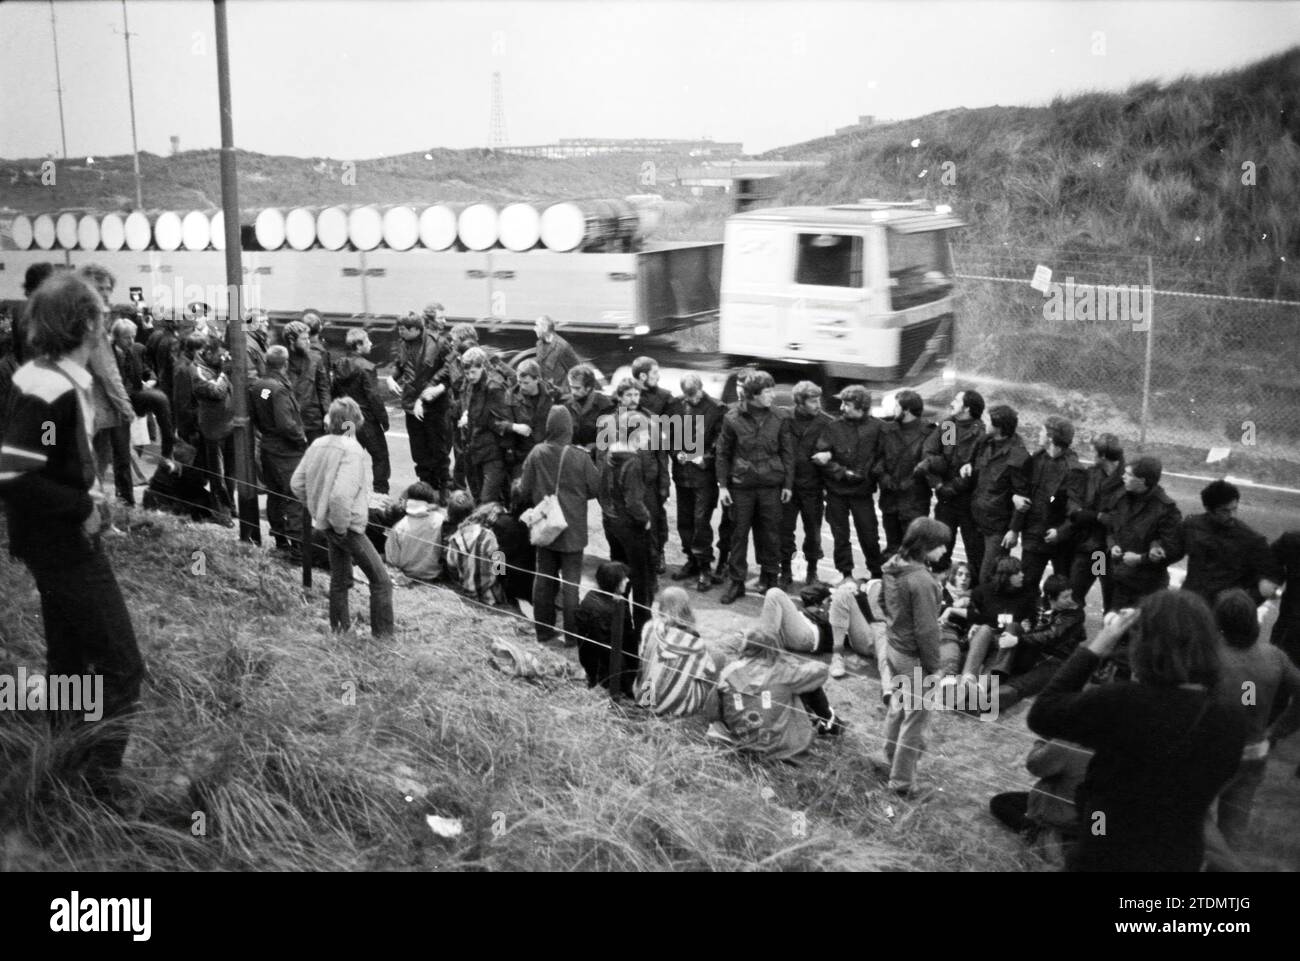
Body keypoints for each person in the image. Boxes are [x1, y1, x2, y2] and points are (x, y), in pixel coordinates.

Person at [0, 272, 145, 801]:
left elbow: (40, 464)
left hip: (51, 542)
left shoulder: (50, 376)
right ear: (86, 322)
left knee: (68, 660)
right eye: (101, 313)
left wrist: (88, 496)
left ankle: (61, 764)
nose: (105, 323)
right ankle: (100, 784)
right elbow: (15, 475)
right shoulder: (49, 386)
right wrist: (82, 505)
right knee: (123, 666)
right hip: (63, 546)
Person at [1028, 592, 1246, 872]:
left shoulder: (1125, 702)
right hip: (1180, 853)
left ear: (1146, 645)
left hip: (1108, 849)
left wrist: (1101, 641)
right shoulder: (1232, 716)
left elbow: (1043, 713)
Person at [291, 397, 393, 639]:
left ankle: (340, 631)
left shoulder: (317, 444)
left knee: (340, 580)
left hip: (327, 523)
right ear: (354, 422)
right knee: (381, 581)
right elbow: (340, 496)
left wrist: (317, 508)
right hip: (346, 527)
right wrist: (339, 524)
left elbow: (297, 483)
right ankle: (384, 637)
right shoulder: (352, 450)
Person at [1209, 589, 1300, 854]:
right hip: (1255, 752)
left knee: (1192, 819)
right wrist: (1278, 731)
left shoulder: (1210, 656)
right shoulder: (1274, 657)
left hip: (1214, 752)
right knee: (1234, 827)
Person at [879, 517, 952, 795]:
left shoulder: (894, 565)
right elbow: (926, 630)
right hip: (913, 657)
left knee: (898, 707)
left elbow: (883, 604)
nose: (945, 550)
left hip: (895, 648)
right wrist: (934, 667)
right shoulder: (922, 580)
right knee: (916, 719)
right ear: (926, 545)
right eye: (941, 545)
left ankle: (889, 756)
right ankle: (901, 782)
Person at [518, 406, 601, 644]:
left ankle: (543, 632)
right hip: (573, 527)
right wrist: (575, 497)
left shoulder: (537, 452)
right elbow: (596, 488)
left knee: (543, 578)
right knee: (571, 584)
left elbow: (524, 489)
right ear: (569, 428)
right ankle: (573, 637)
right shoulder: (580, 456)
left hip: (546, 527)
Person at [716, 370, 794, 604]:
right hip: (742, 487)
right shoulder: (732, 418)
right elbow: (723, 453)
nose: (772, 395)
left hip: (771, 485)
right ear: (753, 395)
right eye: (768, 391)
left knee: (770, 535)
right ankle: (736, 582)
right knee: (738, 535)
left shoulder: (779, 417)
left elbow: (787, 452)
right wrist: (723, 486)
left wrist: (788, 484)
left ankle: (770, 579)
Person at [715, 627, 836, 760]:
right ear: (777, 648)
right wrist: (792, 662)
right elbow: (822, 671)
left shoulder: (729, 670)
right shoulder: (783, 672)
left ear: (746, 646)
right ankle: (829, 724)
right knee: (802, 685)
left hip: (740, 742)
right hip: (778, 748)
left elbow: (712, 710)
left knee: (788, 688)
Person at [973, 575, 1086, 710]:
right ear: (1050, 597)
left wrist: (1018, 640)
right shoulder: (1039, 603)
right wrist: (1025, 623)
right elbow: (1023, 617)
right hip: (1030, 650)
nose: (1070, 600)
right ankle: (988, 681)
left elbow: (1050, 636)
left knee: (1024, 684)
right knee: (1013, 627)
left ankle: (991, 700)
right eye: (1065, 597)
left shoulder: (1076, 613)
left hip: (1055, 658)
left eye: (1070, 595)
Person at [814, 384, 886, 583]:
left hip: (864, 492)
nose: (842, 408)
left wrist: (871, 474)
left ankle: (877, 573)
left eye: (847, 404)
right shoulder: (833, 427)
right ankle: (846, 574)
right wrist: (843, 473)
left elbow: (884, 455)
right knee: (840, 536)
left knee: (869, 535)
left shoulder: (878, 428)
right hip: (838, 491)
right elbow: (822, 457)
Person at [78, 265, 137, 511]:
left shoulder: (67, 318)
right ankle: (93, 522)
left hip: (68, 408)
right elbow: (107, 371)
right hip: (92, 409)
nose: (104, 293)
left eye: (107, 288)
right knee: (94, 468)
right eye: (98, 287)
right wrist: (126, 408)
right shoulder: (92, 322)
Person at [598, 410, 657, 636]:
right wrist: (646, 519)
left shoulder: (609, 456)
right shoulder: (632, 461)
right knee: (641, 580)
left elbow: (601, 490)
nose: (647, 439)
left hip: (611, 522)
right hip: (631, 526)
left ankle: (619, 623)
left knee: (619, 575)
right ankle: (643, 628)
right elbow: (633, 501)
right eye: (644, 434)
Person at [917, 389, 986, 579]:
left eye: (957, 400)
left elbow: (975, 469)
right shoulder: (950, 426)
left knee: (974, 550)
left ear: (967, 408)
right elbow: (935, 455)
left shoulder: (979, 434)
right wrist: (938, 485)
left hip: (967, 503)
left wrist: (953, 487)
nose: (952, 403)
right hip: (945, 500)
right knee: (940, 547)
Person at [1179, 479, 1281, 607]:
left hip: (1222, 608)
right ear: (1208, 509)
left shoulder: (1251, 539)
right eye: (1225, 511)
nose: (1232, 515)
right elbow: (1173, 549)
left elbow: (1271, 576)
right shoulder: (1192, 525)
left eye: (1234, 509)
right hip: (1190, 600)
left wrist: (1243, 605)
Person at [989, 737, 1091, 865]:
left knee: (1001, 802)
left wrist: (1043, 740)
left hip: (1061, 820)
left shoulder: (1066, 745)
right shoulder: (1116, 751)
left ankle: (1034, 831)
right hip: (1091, 818)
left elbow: (1034, 766)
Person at [1015, 415, 1084, 598]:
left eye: (1042, 431)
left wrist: (1061, 532)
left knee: (1061, 586)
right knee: (1028, 582)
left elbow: (1075, 509)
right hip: (1033, 533)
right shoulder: (1037, 459)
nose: (1039, 434)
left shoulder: (1073, 469)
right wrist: (1014, 528)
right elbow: (1024, 491)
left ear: (1052, 437)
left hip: (1058, 539)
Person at [667, 373, 725, 591]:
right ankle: (691, 559)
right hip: (682, 475)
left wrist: (706, 459)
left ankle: (704, 567)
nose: (691, 399)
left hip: (704, 477)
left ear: (701, 389)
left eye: (695, 394)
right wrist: (676, 453)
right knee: (684, 520)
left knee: (701, 522)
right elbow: (668, 435)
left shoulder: (716, 409)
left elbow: (721, 441)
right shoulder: (676, 407)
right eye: (688, 396)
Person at [250, 345, 309, 560]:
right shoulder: (280, 389)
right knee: (294, 495)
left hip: (268, 446)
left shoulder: (259, 385)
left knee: (274, 494)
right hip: (286, 451)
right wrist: (301, 438)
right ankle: (298, 547)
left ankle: (280, 539)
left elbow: (255, 416)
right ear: (285, 363)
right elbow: (286, 424)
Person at [1104, 455, 1183, 612]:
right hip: (1120, 579)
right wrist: (1112, 545)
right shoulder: (1122, 498)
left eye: (1128, 474)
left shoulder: (1166, 510)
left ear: (1143, 480)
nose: (1123, 477)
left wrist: (1141, 559)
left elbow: (1174, 550)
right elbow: (1111, 527)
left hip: (1148, 587)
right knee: (1114, 627)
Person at [389, 311, 454, 498]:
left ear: (416, 329)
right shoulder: (403, 344)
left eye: (403, 329)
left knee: (438, 450)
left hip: (434, 407)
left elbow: (449, 368)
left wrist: (434, 387)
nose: (400, 332)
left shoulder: (439, 343)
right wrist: (392, 379)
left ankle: (443, 488)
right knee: (418, 450)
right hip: (411, 406)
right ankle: (425, 484)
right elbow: (399, 365)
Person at [1058, 432, 1125, 613]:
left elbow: (1119, 518)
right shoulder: (1091, 474)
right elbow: (1075, 506)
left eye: (1093, 451)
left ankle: (1109, 636)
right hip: (1091, 547)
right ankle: (1070, 635)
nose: (1090, 454)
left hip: (1108, 551)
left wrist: (1092, 516)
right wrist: (1095, 516)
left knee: (1111, 600)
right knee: (1073, 596)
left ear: (1102, 455)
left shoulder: (1128, 480)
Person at [969, 404, 1030, 587]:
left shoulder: (1018, 455)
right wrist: (967, 466)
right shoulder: (985, 442)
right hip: (977, 518)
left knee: (988, 576)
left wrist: (1014, 529)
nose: (984, 423)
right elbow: (973, 463)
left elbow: (1022, 496)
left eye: (989, 421)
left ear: (999, 427)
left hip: (998, 526)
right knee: (975, 569)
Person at [634, 587, 717, 717]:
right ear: (686, 608)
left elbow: (642, 655)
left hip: (645, 698)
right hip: (677, 709)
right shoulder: (694, 641)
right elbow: (708, 672)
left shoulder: (649, 627)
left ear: (661, 605)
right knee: (717, 658)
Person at [957, 554, 1039, 685]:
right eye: (1017, 573)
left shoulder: (1027, 595)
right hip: (984, 638)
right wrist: (973, 625)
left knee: (1010, 631)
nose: (1022, 575)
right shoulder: (982, 592)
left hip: (1007, 642)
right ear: (1006, 576)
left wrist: (1027, 626)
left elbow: (1032, 621)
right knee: (984, 629)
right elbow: (974, 616)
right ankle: (967, 678)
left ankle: (982, 686)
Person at [782, 381, 832, 588]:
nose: (818, 404)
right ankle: (785, 570)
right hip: (788, 486)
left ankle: (812, 571)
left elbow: (837, 447)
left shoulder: (827, 422)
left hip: (813, 485)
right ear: (800, 402)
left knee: (813, 531)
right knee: (784, 531)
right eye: (813, 401)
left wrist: (829, 454)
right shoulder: (784, 419)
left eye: (818, 399)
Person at [333, 328, 391, 494]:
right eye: (368, 341)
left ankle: (351, 492)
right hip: (366, 420)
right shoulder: (367, 367)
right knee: (380, 456)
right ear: (359, 345)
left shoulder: (338, 365)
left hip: (347, 420)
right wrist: (383, 420)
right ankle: (380, 494)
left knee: (350, 457)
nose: (371, 343)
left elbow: (334, 393)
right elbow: (373, 396)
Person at [879, 389, 935, 558]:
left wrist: (912, 480)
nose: (894, 410)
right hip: (890, 500)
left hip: (915, 501)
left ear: (907, 409)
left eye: (897, 406)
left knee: (913, 550)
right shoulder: (887, 430)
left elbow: (935, 459)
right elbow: (878, 458)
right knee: (892, 549)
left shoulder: (930, 432)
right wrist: (883, 477)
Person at [110, 317, 175, 461]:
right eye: (127, 338)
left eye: (133, 336)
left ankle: (168, 451)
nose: (131, 341)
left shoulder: (137, 349)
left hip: (135, 395)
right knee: (122, 449)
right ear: (116, 337)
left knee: (161, 399)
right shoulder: (108, 354)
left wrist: (151, 379)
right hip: (116, 400)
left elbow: (147, 370)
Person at [457, 346, 512, 506]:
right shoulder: (471, 384)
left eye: (473, 372)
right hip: (476, 448)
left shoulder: (494, 387)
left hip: (493, 452)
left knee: (487, 499)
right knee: (480, 496)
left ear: (482, 366)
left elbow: (503, 419)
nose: (469, 376)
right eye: (466, 373)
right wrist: (467, 414)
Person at [190, 335, 236, 523]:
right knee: (218, 474)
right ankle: (220, 512)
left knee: (231, 472)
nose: (222, 358)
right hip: (213, 428)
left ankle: (230, 505)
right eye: (219, 355)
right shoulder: (198, 370)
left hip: (229, 424)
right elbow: (216, 392)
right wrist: (225, 374)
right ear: (207, 353)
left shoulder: (215, 365)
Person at [574, 561, 637, 696]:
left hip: (589, 662)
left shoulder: (589, 597)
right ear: (615, 582)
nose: (628, 580)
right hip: (611, 669)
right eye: (624, 578)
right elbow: (628, 642)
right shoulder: (618, 607)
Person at [503, 358, 560, 486]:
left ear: (537, 379)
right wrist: (514, 428)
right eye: (519, 382)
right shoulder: (511, 396)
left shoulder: (553, 394)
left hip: (547, 454)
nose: (522, 386)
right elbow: (503, 423)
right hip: (522, 455)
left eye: (526, 383)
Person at [445, 495, 509, 606]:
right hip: (491, 596)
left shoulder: (454, 539)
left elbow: (451, 567)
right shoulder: (488, 536)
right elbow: (500, 568)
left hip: (466, 594)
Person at [384, 481, 446, 581]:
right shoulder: (441, 520)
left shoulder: (399, 526)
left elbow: (392, 559)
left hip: (408, 572)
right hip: (434, 573)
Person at [282, 320, 330, 442]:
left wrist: (328, 413)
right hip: (289, 422)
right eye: (304, 339)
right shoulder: (279, 361)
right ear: (292, 341)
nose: (308, 342)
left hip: (313, 421)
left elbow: (323, 388)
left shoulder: (315, 359)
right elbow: (266, 390)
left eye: (308, 338)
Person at [564, 363, 615, 461]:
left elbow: (608, 439)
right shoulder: (567, 404)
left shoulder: (605, 405)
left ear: (588, 388)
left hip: (596, 459)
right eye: (571, 387)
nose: (573, 392)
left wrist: (592, 448)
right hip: (573, 457)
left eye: (577, 388)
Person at [534, 315, 579, 397]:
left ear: (545, 328)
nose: (534, 329)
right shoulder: (539, 344)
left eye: (537, 326)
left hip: (561, 395)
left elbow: (576, 370)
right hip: (546, 393)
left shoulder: (562, 346)